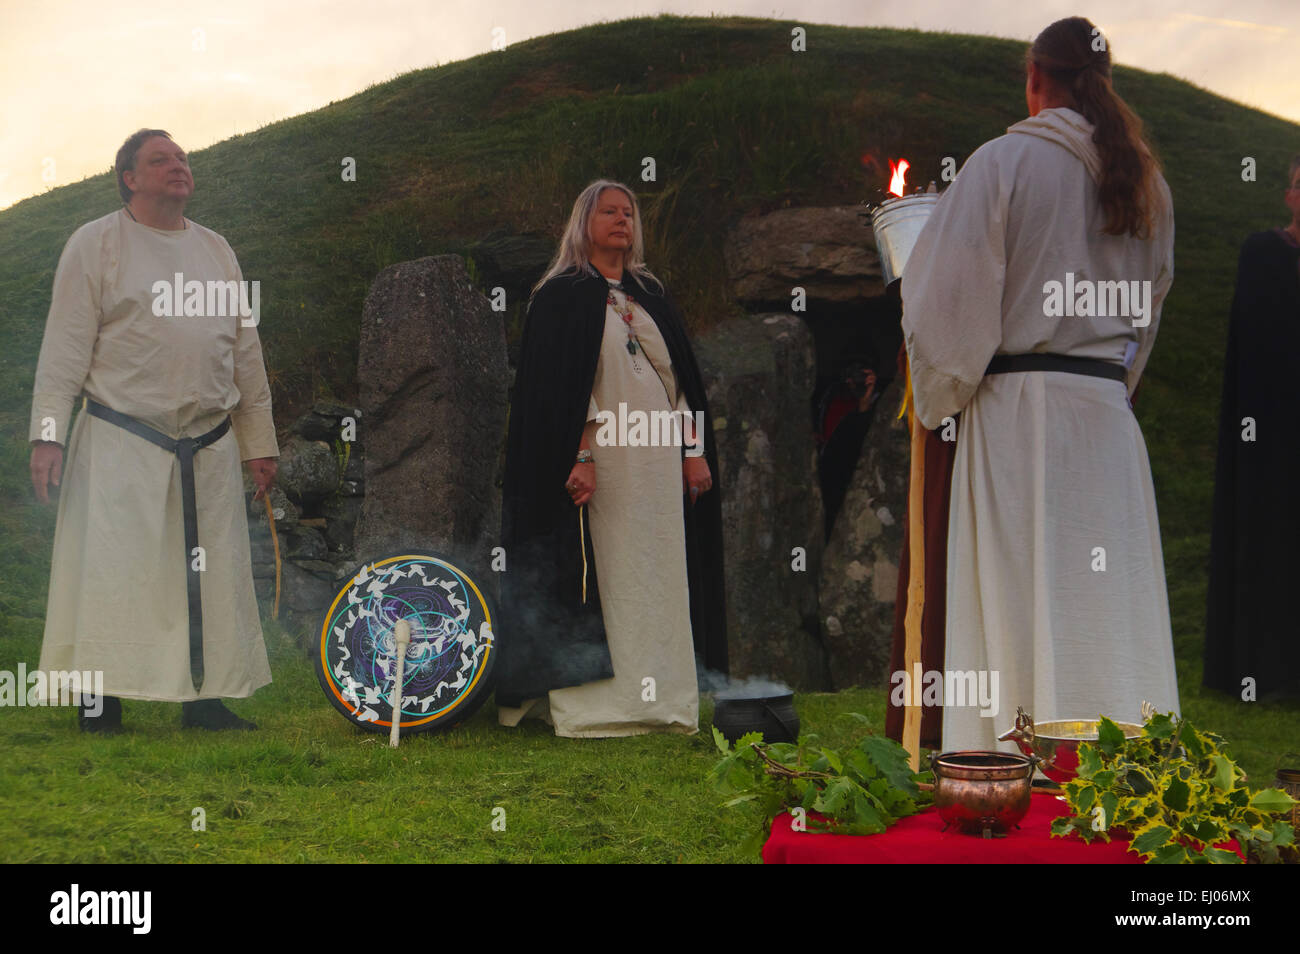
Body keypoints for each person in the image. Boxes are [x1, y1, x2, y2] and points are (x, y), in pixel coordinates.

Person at [901, 18, 1180, 751]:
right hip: (1103, 414)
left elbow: (949, 303)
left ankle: (1007, 757)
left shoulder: (1002, 163)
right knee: (1101, 590)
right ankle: (1120, 756)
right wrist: (1113, 385)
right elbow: (1146, 312)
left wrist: (941, 392)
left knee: (1016, 579)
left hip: (1019, 413)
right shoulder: (1147, 180)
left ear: (1035, 79)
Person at [28, 129, 278, 732]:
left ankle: (207, 699)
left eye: (182, 158)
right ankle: (100, 701)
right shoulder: (96, 244)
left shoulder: (218, 251)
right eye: (159, 160)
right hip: (122, 438)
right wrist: (47, 435)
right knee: (114, 572)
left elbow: (246, 352)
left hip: (209, 440)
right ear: (129, 178)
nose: (177, 166)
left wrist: (260, 442)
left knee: (209, 574)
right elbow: (63, 349)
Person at [496, 179, 728, 737]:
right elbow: (556, 392)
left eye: (629, 212)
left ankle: (663, 699)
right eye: (609, 212)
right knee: (609, 572)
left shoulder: (650, 293)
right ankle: (600, 704)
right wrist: (578, 455)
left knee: (659, 573)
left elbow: (683, 387)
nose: (622, 220)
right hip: (605, 459)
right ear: (584, 222)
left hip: (656, 460)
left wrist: (692, 453)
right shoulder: (560, 295)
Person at [1203, 156, 1300, 701]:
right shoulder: (1262, 253)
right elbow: (1256, 343)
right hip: (1268, 429)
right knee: (1267, 540)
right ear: (1288, 195)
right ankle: (1259, 670)